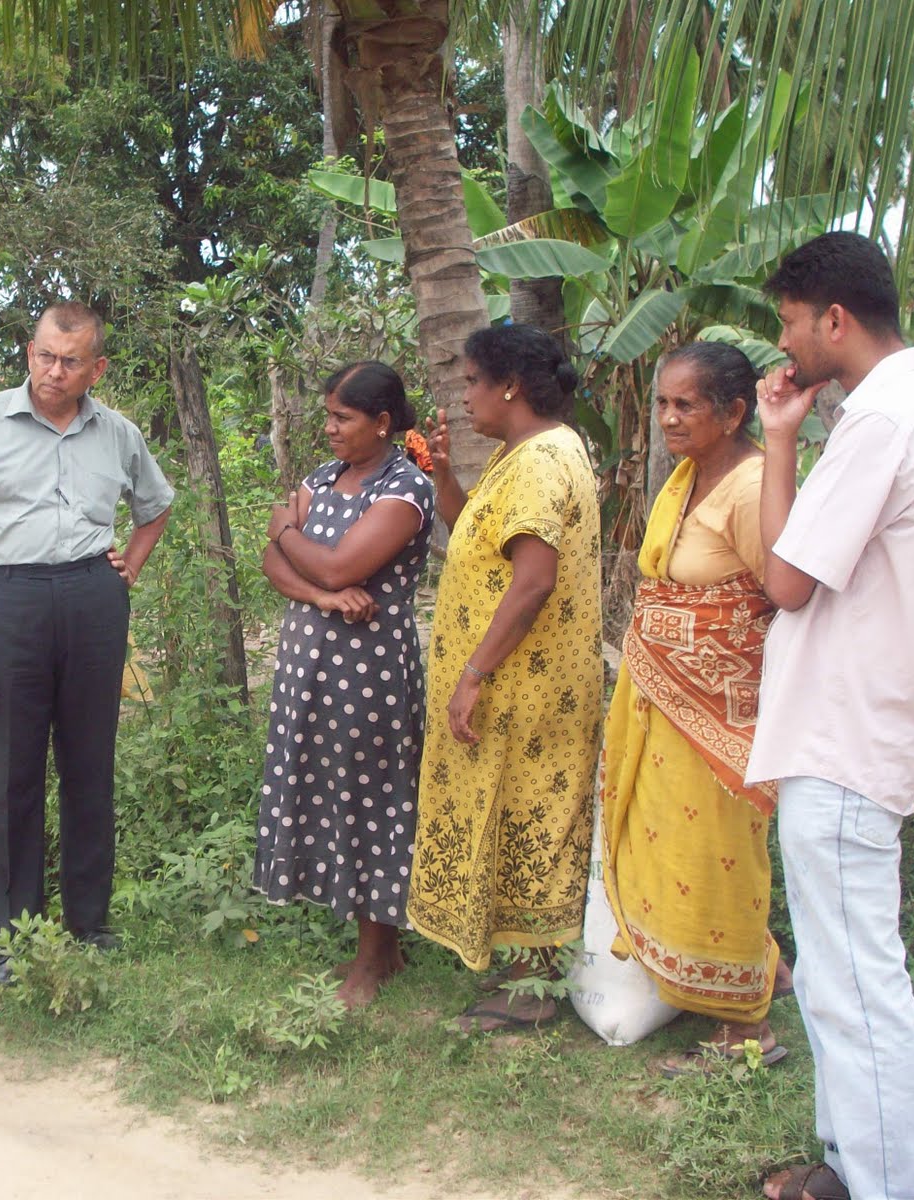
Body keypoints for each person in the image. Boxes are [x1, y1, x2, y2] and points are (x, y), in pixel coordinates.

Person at [747, 232, 914, 1200]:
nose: (787, 345)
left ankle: (888, 1189)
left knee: (856, 993)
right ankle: (850, 1169)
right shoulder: (906, 406)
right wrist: (791, 437)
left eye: (790, 324)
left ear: (833, 319)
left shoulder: (881, 419)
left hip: (842, 740)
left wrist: (778, 442)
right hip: (850, 734)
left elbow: (785, 578)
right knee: (843, 985)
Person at [0, 302, 174, 987]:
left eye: (69, 361)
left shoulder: (116, 432)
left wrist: (131, 567)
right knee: (7, 771)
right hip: (6, 600)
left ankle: (89, 924)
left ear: (98, 367)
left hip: (93, 596)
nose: (53, 372)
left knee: (90, 764)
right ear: (28, 352)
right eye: (43, 356)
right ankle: (13, 938)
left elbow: (156, 505)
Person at [598, 342, 788, 1072]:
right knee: (671, 845)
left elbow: (774, 598)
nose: (669, 418)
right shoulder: (687, 477)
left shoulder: (750, 486)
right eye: (663, 403)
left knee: (719, 857)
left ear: (734, 412)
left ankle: (747, 1032)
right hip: (664, 700)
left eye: (687, 405)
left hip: (720, 714)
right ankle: (755, 967)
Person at [407, 325, 602, 1030]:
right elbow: (478, 543)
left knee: (525, 815)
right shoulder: (527, 453)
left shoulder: (539, 461)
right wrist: (445, 478)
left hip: (524, 688)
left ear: (509, 386)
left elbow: (533, 581)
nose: (464, 396)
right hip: (521, 685)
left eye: (470, 383)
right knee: (516, 813)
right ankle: (524, 974)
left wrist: (474, 675)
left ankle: (530, 987)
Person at [255, 362, 435, 1009]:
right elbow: (279, 567)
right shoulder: (324, 479)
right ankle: (377, 946)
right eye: (327, 414)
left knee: (372, 800)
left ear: (382, 424)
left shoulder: (404, 490)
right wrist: (321, 597)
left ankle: (374, 954)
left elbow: (338, 564)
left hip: (371, 677)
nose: (328, 428)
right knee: (325, 790)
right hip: (311, 664)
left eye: (342, 417)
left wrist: (285, 527)